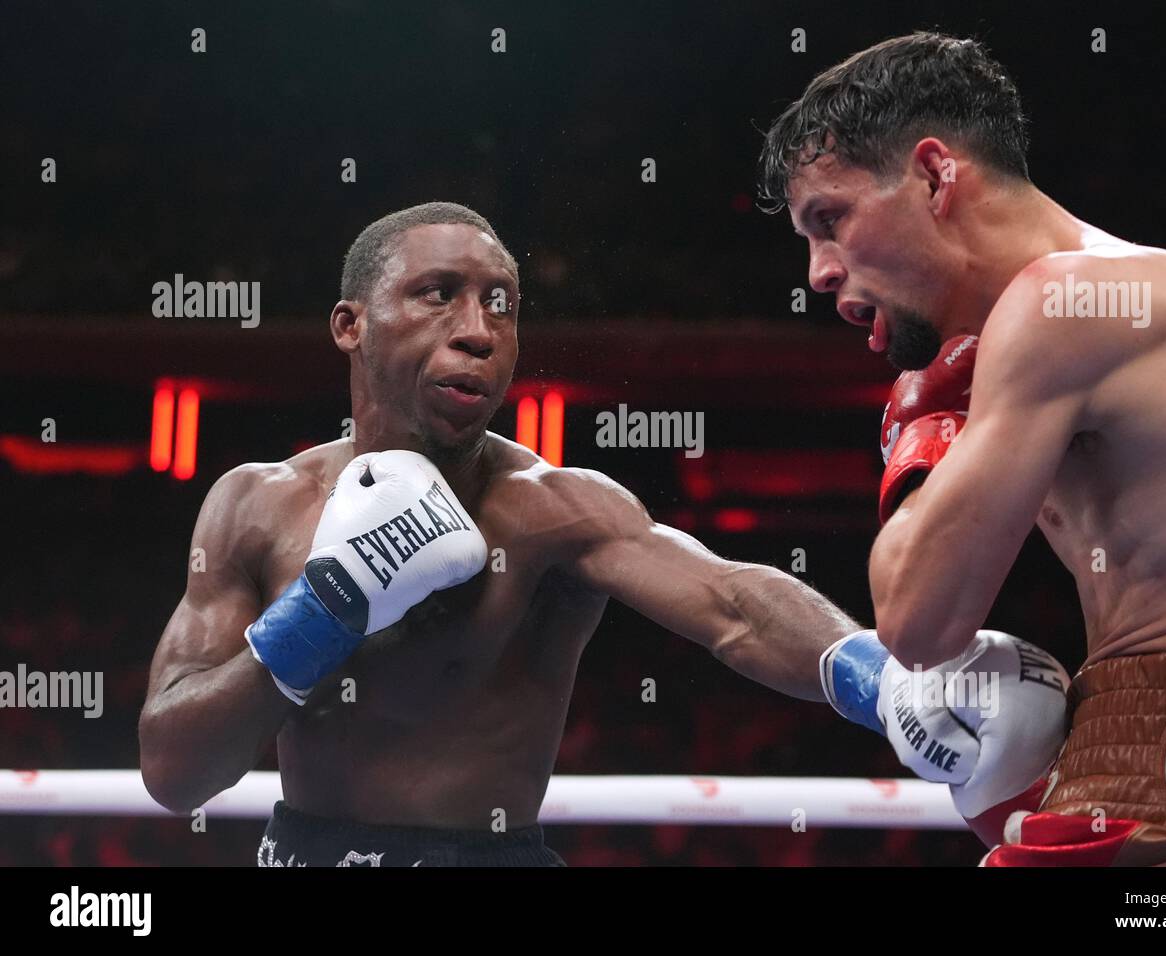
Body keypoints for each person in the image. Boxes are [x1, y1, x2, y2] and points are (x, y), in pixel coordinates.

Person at [138, 201, 1067, 866]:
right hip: (298, 851)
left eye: (501, 303)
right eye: (438, 295)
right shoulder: (253, 504)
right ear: (350, 325)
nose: (479, 331)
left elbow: (732, 603)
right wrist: (327, 606)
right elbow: (174, 772)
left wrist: (885, 684)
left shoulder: (553, 507)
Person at [760, 31, 1166, 865]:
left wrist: (919, 440)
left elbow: (920, 624)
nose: (818, 272)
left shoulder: (1063, 306)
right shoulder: (1146, 295)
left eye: (829, 221)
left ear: (935, 175)